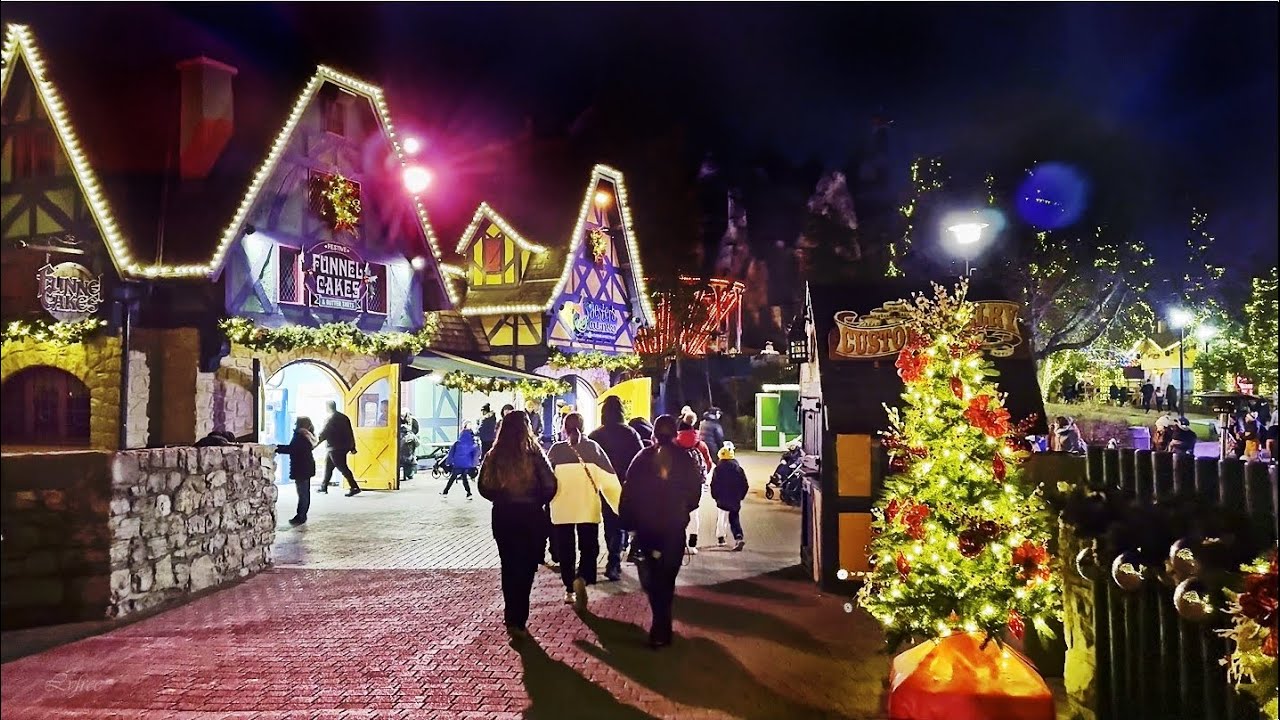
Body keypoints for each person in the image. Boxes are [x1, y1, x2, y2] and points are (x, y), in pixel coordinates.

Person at [619, 414, 704, 649]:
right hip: (674, 529)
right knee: (666, 579)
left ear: (654, 434)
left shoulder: (642, 458)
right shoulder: (686, 460)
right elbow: (695, 495)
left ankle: (660, 626)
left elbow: (629, 491)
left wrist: (629, 520)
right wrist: (682, 509)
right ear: (675, 434)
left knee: (653, 578)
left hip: (647, 530)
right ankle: (661, 627)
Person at [477, 411, 557, 638]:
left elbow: (483, 486)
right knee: (527, 566)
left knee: (509, 565)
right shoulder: (535, 454)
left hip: (504, 516)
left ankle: (512, 616)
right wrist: (537, 500)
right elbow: (550, 485)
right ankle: (520, 617)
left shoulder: (494, 454)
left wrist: (500, 498)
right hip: (531, 516)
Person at [548, 413, 621, 610]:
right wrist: (621, 508)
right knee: (589, 547)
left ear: (564, 428)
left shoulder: (555, 451)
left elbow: (546, 479)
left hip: (561, 508)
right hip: (588, 507)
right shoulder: (593, 449)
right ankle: (583, 577)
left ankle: (569, 588)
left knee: (566, 550)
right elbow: (610, 482)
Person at [589, 396, 645, 581]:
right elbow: (640, 460)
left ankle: (612, 560)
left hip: (602, 485)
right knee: (620, 524)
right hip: (623, 485)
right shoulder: (630, 433)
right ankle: (613, 563)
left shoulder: (596, 435)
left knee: (609, 524)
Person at [676, 419, 713, 553]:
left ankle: (679, 543)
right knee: (694, 513)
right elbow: (708, 464)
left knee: (677, 514)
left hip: (677, 486)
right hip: (695, 486)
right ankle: (692, 545)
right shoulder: (700, 444)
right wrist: (702, 477)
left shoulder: (675, 443)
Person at [276, 416, 317, 526]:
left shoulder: (300, 435)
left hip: (301, 467)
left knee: (302, 493)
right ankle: (302, 515)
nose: (294, 425)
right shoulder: (308, 435)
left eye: (296, 423)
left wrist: (276, 448)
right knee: (305, 493)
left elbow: (293, 449)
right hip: (306, 466)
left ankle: (301, 516)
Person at [318, 400, 361, 496]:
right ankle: (323, 487)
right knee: (328, 467)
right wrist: (352, 447)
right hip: (342, 447)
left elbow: (324, 433)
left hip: (334, 448)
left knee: (343, 468)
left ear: (328, 407)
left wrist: (315, 443)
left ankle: (354, 487)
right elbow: (350, 432)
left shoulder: (331, 419)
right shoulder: (344, 417)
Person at [710, 442, 748, 551]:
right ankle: (738, 537)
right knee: (734, 518)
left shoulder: (718, 469)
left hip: (722, 499)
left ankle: (721, 538)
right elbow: (745, 484)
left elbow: (714, 485)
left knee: (721, 517)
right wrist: (741, 496)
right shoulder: (738, 469)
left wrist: (715, 497)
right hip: (735, 499)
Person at [443, 424, 481, 498]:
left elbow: (451, 453)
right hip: (467, 464)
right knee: (464, 478)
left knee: (453, 478)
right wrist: (475, 463)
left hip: (458, 464)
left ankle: (445, 492)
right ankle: (469, 493)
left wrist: (448, 462)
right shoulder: (473, 444)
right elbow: (477, 453)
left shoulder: (457, 443)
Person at [399, 412, 419, 483]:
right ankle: (410, 473)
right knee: (412, 457)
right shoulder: (411, 435)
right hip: (408, 457)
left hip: (397, 458)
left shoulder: (396, 435)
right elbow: (417, 443)